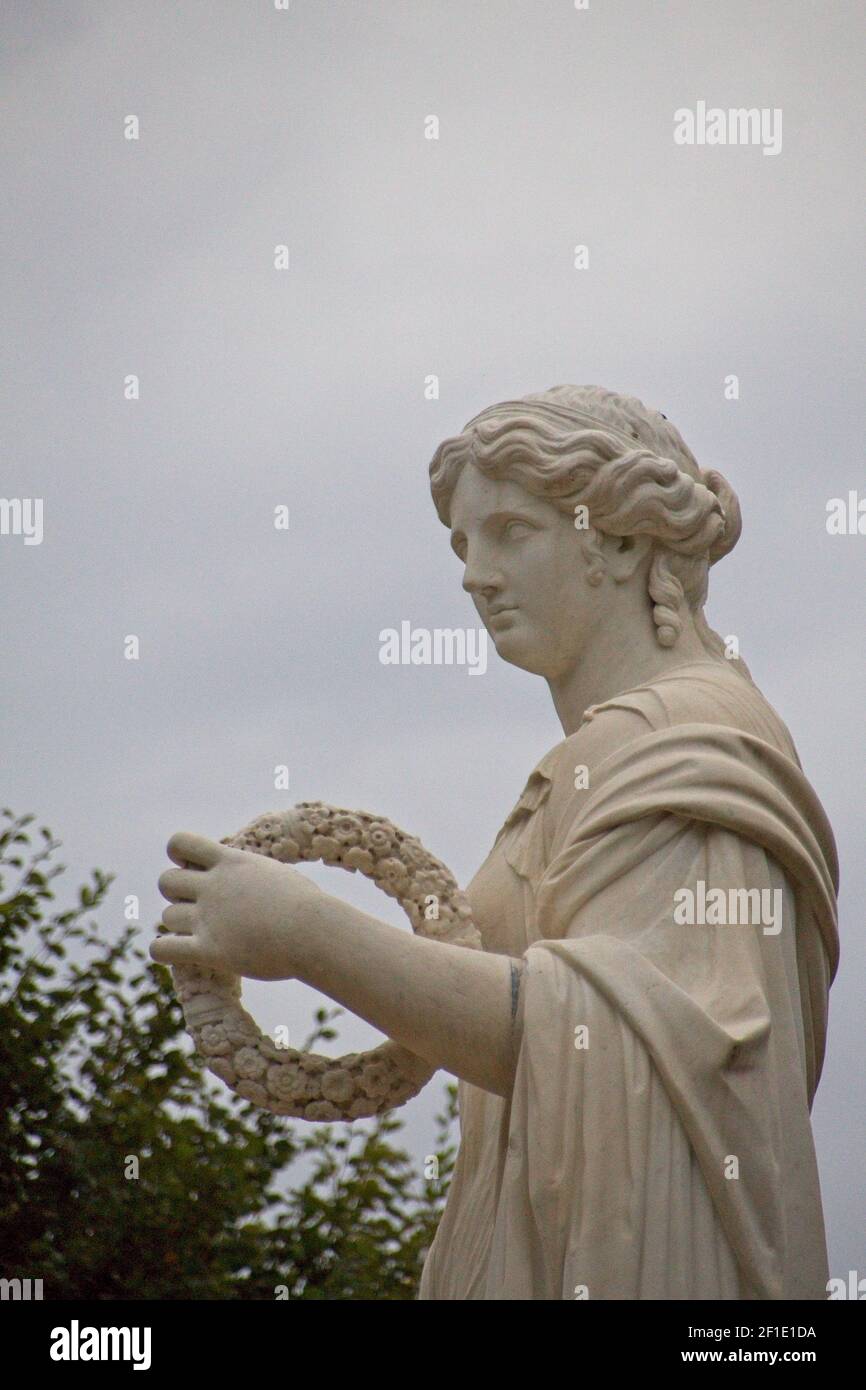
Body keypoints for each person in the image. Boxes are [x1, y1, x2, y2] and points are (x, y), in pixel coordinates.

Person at [152, 385, 839, 1300]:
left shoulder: (690, 746)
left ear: (626, 540)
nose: (474, 573)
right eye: (463, 544)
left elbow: (608, 1048)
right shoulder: (593, 758)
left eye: (512, 531)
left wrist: (309, 935)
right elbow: (498, 1000)